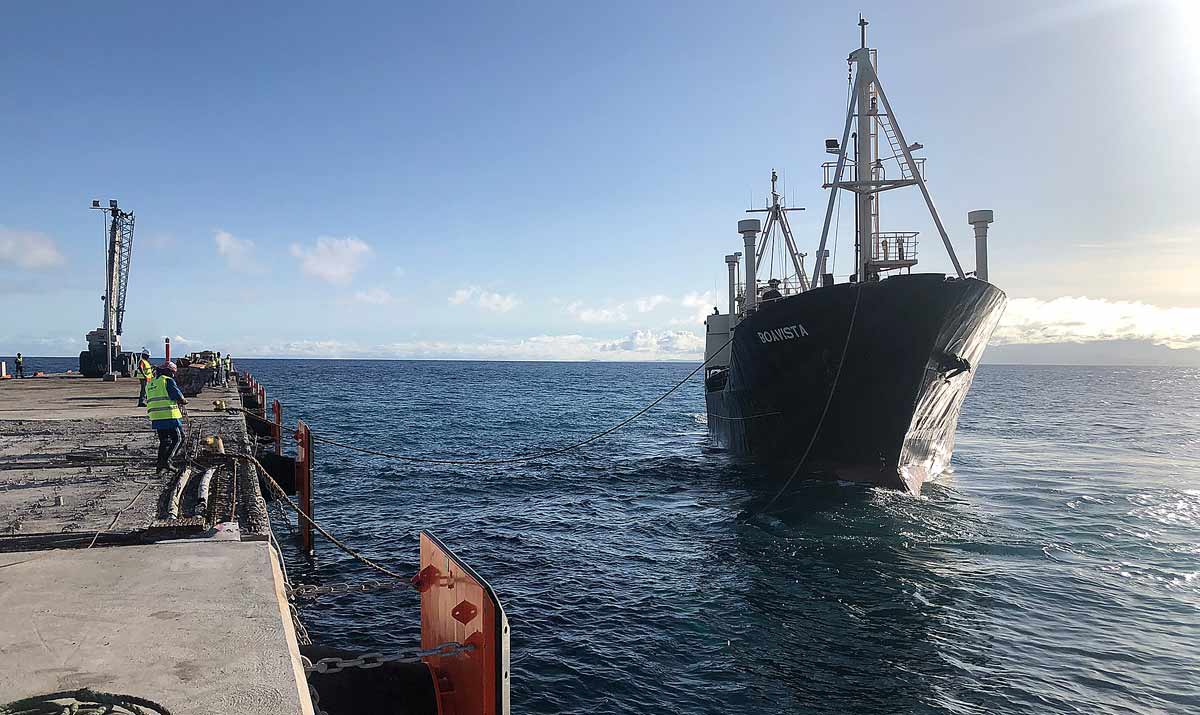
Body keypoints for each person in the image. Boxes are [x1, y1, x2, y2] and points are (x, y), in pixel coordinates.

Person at [146, 361, 188, 474]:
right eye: (173, 372)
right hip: (168, 415)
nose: (174, 375)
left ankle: (160, 465)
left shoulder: (151, 383)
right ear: (168, 371)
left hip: (156, 416)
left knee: (164, 441)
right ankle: (167, 462)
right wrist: (184, 401)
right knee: (179, 438)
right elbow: (178, 396)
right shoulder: (167, 380)